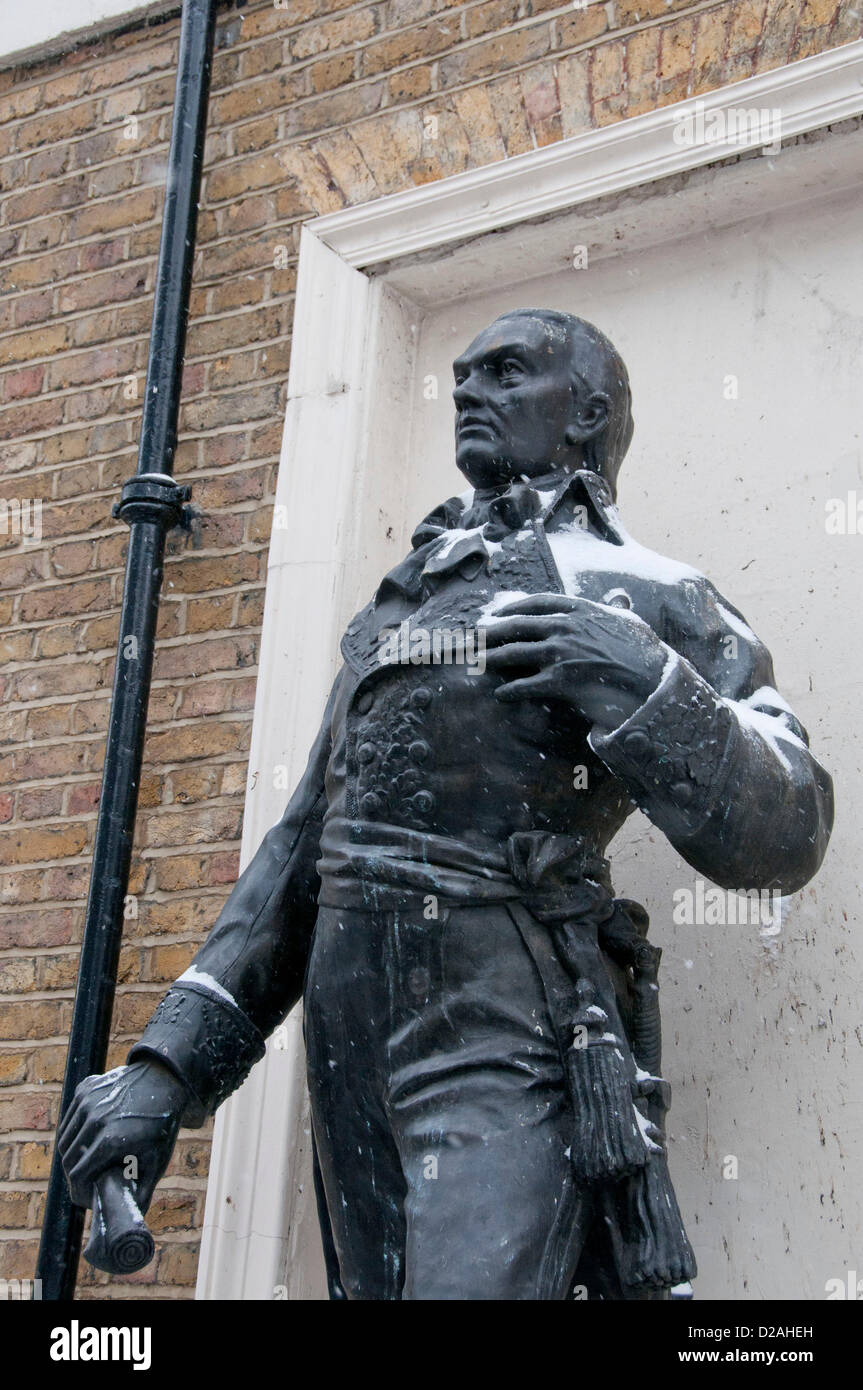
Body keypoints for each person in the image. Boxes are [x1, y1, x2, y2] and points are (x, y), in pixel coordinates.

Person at [58, 310, 833, 1300]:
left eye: (505, 371)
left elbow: (789, 828)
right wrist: (167, 1073)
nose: (468, 391)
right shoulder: (401, 604)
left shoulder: (651, 595)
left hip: (507, 1024)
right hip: (348, 1040)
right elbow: (299, 858)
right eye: (460, 375)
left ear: (588, 410)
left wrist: (640, 676)